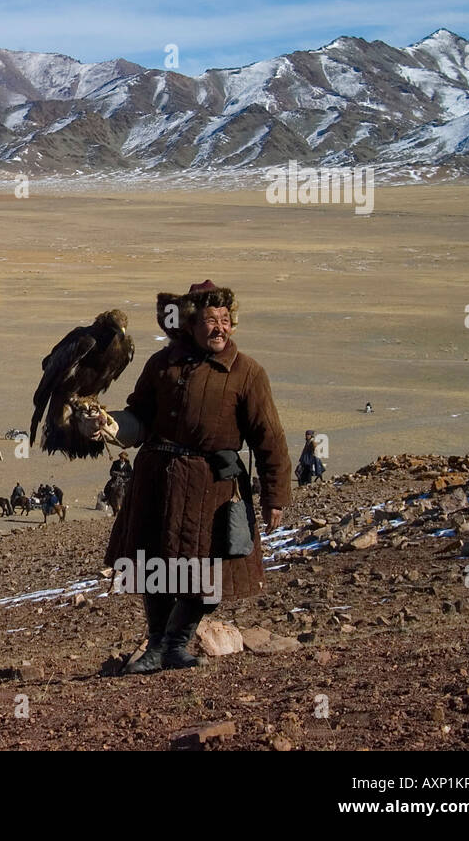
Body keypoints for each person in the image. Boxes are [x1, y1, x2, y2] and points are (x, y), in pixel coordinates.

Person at [93, 280, 291, 674]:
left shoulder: (247, 373)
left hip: (213, 489)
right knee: (155, 567)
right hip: (157, 480)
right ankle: (155, 647)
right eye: (209, 321)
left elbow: (269, 438)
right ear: (189, 325)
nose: (220, 328)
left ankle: (175, 643)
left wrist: (276, 496)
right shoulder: (162, 365)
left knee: (209, 575)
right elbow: (141, 417)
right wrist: (109, 424)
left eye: (225, 320)